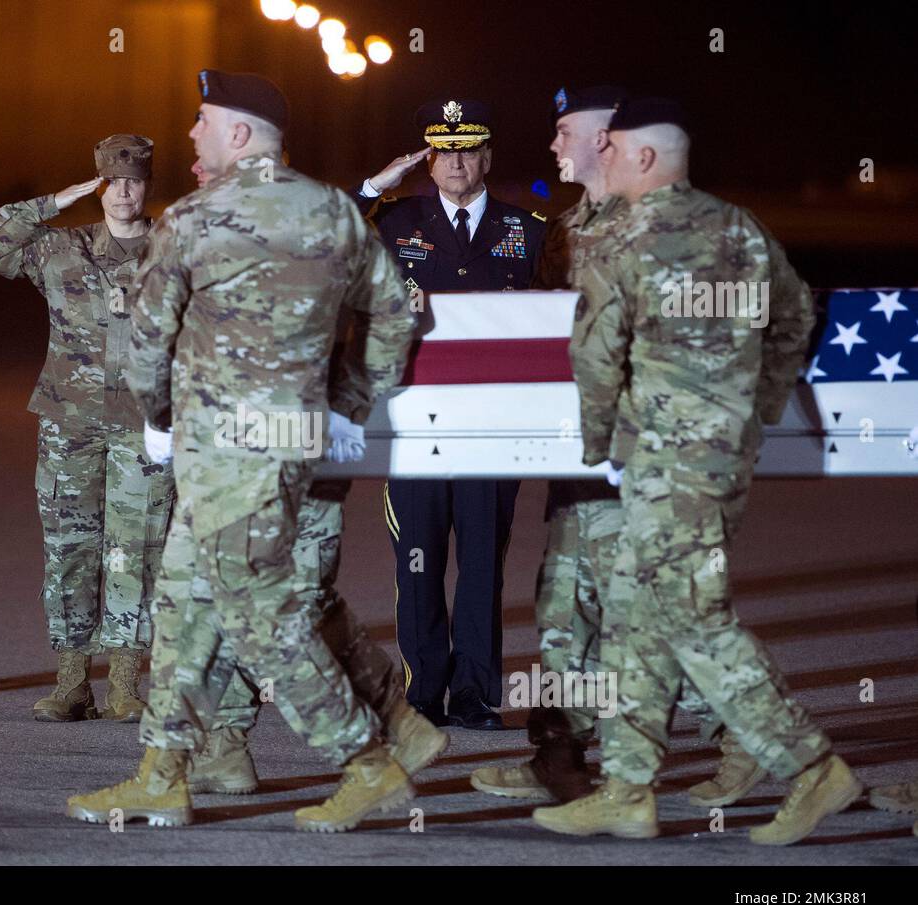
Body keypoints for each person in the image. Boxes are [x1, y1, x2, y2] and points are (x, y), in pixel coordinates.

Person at [67, 70, 418, 832]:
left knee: (262, 614)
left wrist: (157, 417)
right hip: (288, 441)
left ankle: (368, 763)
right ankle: (162, 772)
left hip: (225, 450)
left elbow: (149, 340)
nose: (190, 135)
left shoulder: (195, 217)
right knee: (185, 601)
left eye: (201, 122)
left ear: (238, 133)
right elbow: (396, 311)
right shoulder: (333, 211)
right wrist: (353, 402)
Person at [531, 98, 863, 845]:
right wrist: (762, 403)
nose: (604, 159)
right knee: (637, 615)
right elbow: (796, 315)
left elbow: (594, 351)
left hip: (660, 459)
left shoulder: (625, 235)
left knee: (690, 615)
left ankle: (811, 768)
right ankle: (627, 786)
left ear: (645, 158)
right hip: (722, 456)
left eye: (612, 149)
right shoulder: (740, 228)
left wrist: (595, 441)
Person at [470, 86, 758, 805]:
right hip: (577, 459)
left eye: (563, 130)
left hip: (640, 462)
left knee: (648, 614)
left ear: (606, 141)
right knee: (565, 611)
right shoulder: (565, 229)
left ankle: (740, 740)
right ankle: (559, 757)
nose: (552, 145)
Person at [352, 98, 545, 729]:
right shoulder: (391, 221)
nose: (455, 161)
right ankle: (423, 688)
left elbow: (572, 311)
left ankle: (473, 692)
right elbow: (319, 245)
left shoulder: (533, 228)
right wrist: (372, 187)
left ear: (486, 157)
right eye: (441, 150)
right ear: (426, 160)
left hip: (493, 426)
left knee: (483, 560)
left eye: (467, 150)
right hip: (415, 424)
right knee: (420, 559)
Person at [0, 135, 175, 722]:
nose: (124, 191)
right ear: (99, 186)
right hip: (71, 425)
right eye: (112, 181)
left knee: (136, 551)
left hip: (146, 427)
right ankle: (70, 682)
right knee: (69, 549)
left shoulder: (175, 250)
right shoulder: (61, 248)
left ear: (148, 186)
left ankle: (127, 684)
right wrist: (54, 200)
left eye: (134, 180)